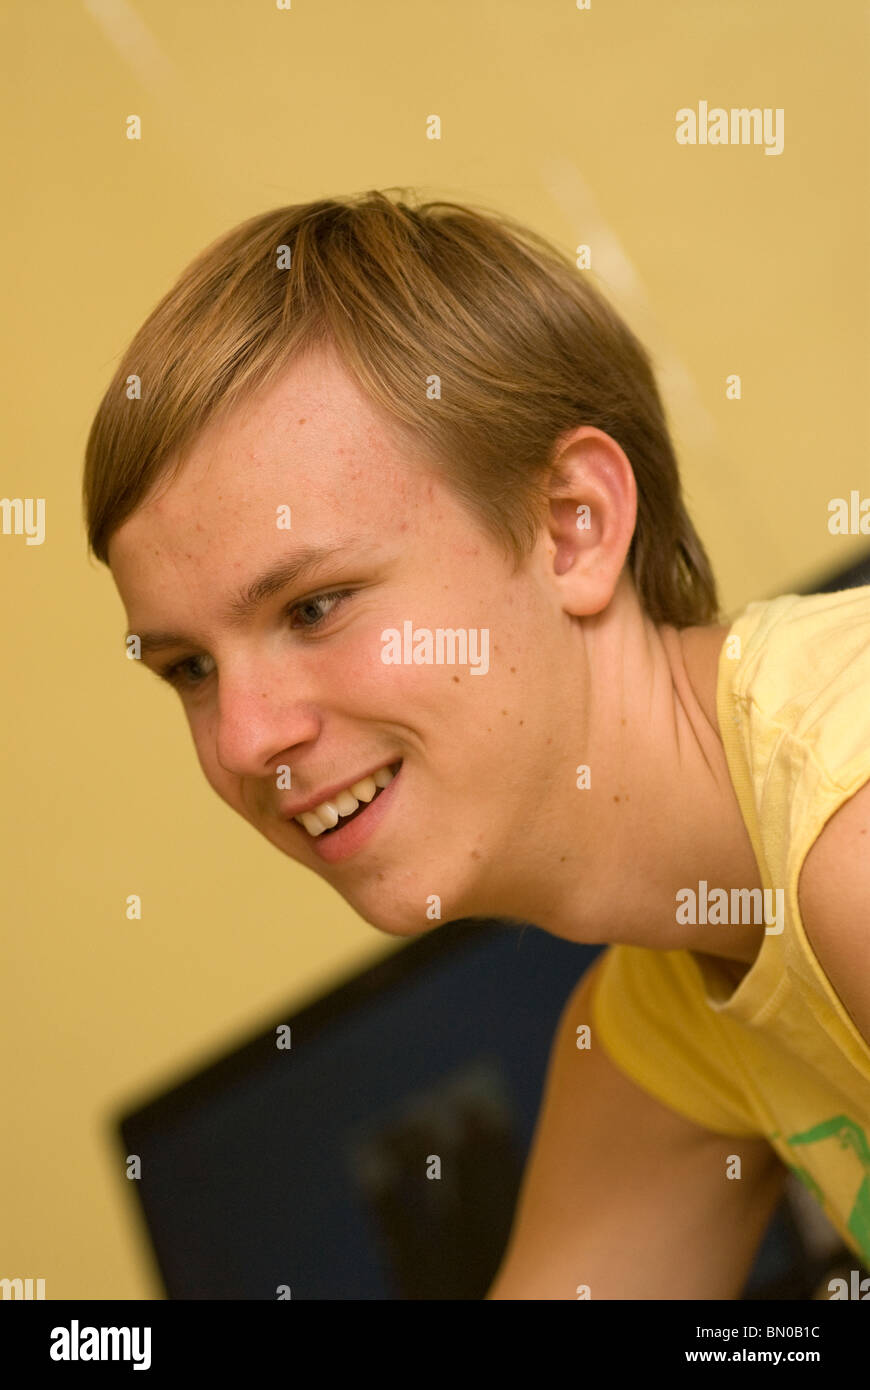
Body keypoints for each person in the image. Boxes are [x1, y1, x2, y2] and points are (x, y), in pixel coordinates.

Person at [83, 190, 870, 1299]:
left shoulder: (848, 807)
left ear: (571, 525)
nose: (248, 739)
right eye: (190, 671)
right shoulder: (664, 1018)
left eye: (314, 608)